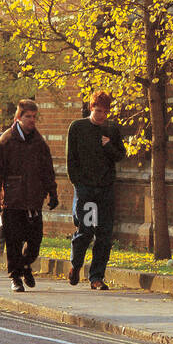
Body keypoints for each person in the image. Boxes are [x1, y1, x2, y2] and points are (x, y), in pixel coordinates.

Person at [0, 100, 60, 293]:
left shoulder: (38, 142)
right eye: (28, 116)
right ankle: (15, 276)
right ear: (18, 118)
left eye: (34, 117)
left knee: (35, 241)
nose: (31, 120)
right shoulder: (7, 140)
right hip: (13, 200)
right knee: (14, 241)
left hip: (34, 200)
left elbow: (47, 170)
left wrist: (52, 192)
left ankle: (26, 265)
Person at [66, 91, 125, 290]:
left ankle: (96, 277)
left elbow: (119, 156)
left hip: (105, 189)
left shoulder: (112, 130)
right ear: (91, 108)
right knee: (86, 230)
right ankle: (76, 264)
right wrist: (79, 184)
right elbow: (71, 159)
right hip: (87, 190)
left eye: (105, 112)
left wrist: (108, 146)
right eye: (98, 111)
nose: (101, 115)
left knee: (105, 235)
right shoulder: (78, 127)